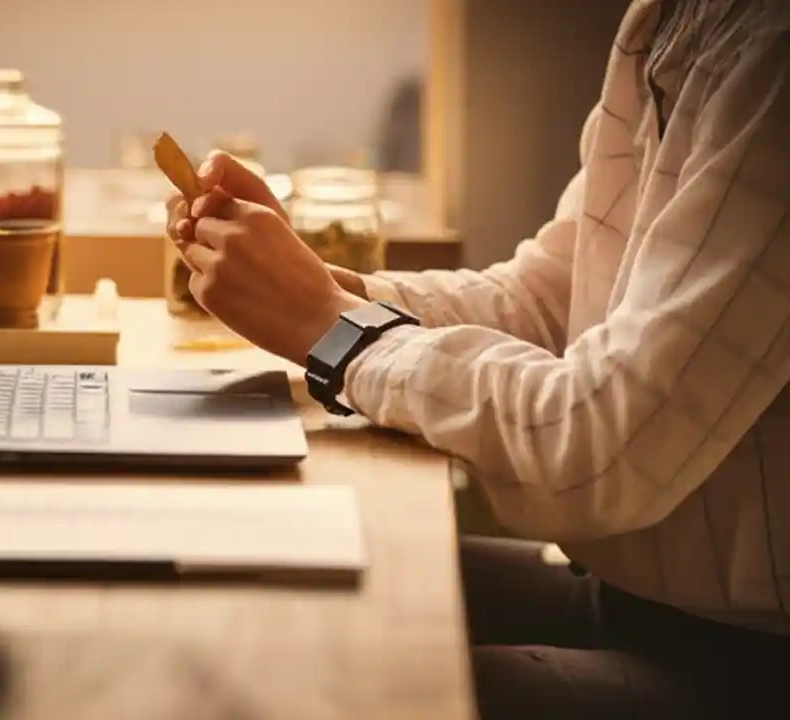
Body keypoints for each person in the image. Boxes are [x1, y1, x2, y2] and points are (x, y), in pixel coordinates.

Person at [165, 0, 789, 717]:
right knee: (272, 589)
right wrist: (325, 293)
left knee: (351, 688)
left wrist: (337, 331)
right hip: (639, 597)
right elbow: (554, 302)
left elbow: (601, 448)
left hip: (753, 656)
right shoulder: (672, 18)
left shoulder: (773, 53)